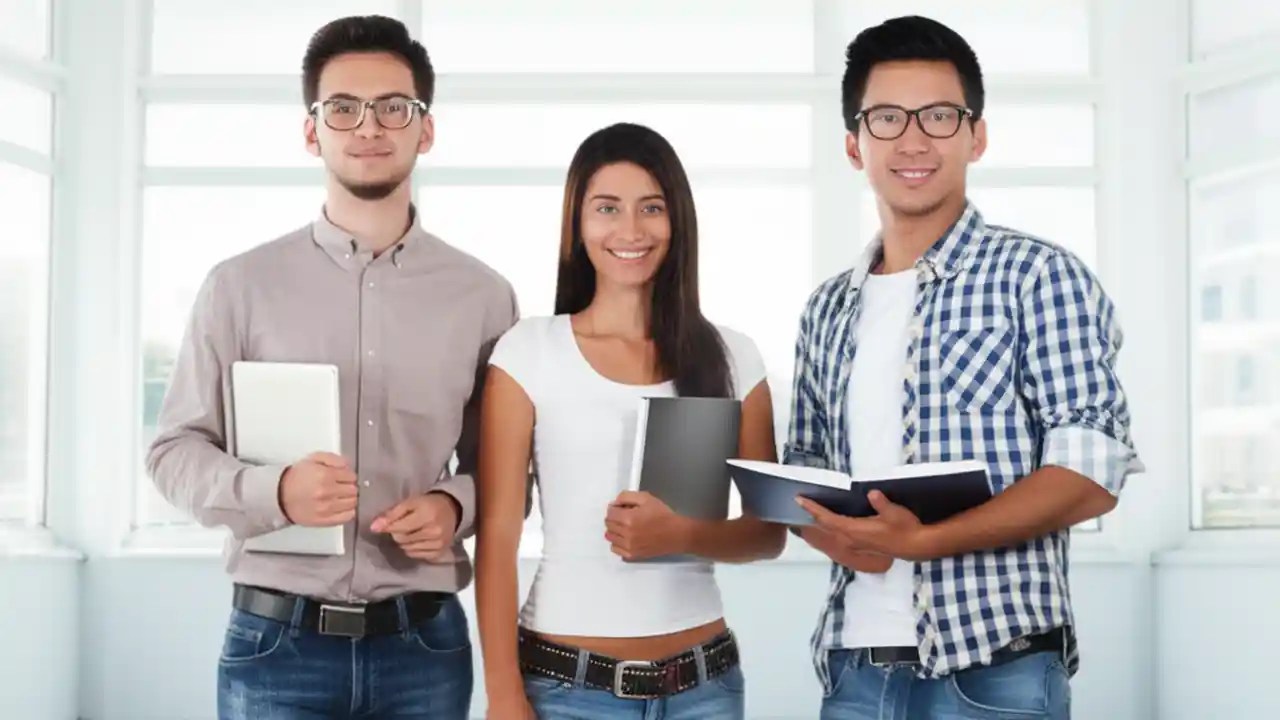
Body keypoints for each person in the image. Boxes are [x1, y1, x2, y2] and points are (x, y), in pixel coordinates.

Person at [145, 15, 517, 720]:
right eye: (343, 108)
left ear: (424, 129)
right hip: (274, 648)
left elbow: (508, 469)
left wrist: (453, 506)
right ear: (313, 130)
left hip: (426, 648)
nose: (368, 126)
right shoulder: (238, 286)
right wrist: (274, 491)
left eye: (393, 107)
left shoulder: (484, 297)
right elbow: (172, 452)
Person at [783, 15, 1143, 719]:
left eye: (939, 116)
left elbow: (1091, 472)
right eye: (886, 118)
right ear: (854, 146)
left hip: (993, 675)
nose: (913, 139)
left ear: (975, 135)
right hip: (856, 673)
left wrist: (925, 541)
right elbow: (808, 468)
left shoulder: (1038, 276)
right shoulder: (826, 308)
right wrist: (830, 531)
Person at [475, 122, 787, 720]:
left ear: (678, 222)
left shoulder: (732, 355)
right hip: (567, 690)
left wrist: (685, 536)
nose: (631, 231)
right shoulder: (529, 351)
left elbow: (766, 533)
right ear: (578, 224)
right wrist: (503, 693)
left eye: (651, 208)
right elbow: (497, 537)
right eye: (607, 209)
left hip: (706, 688)